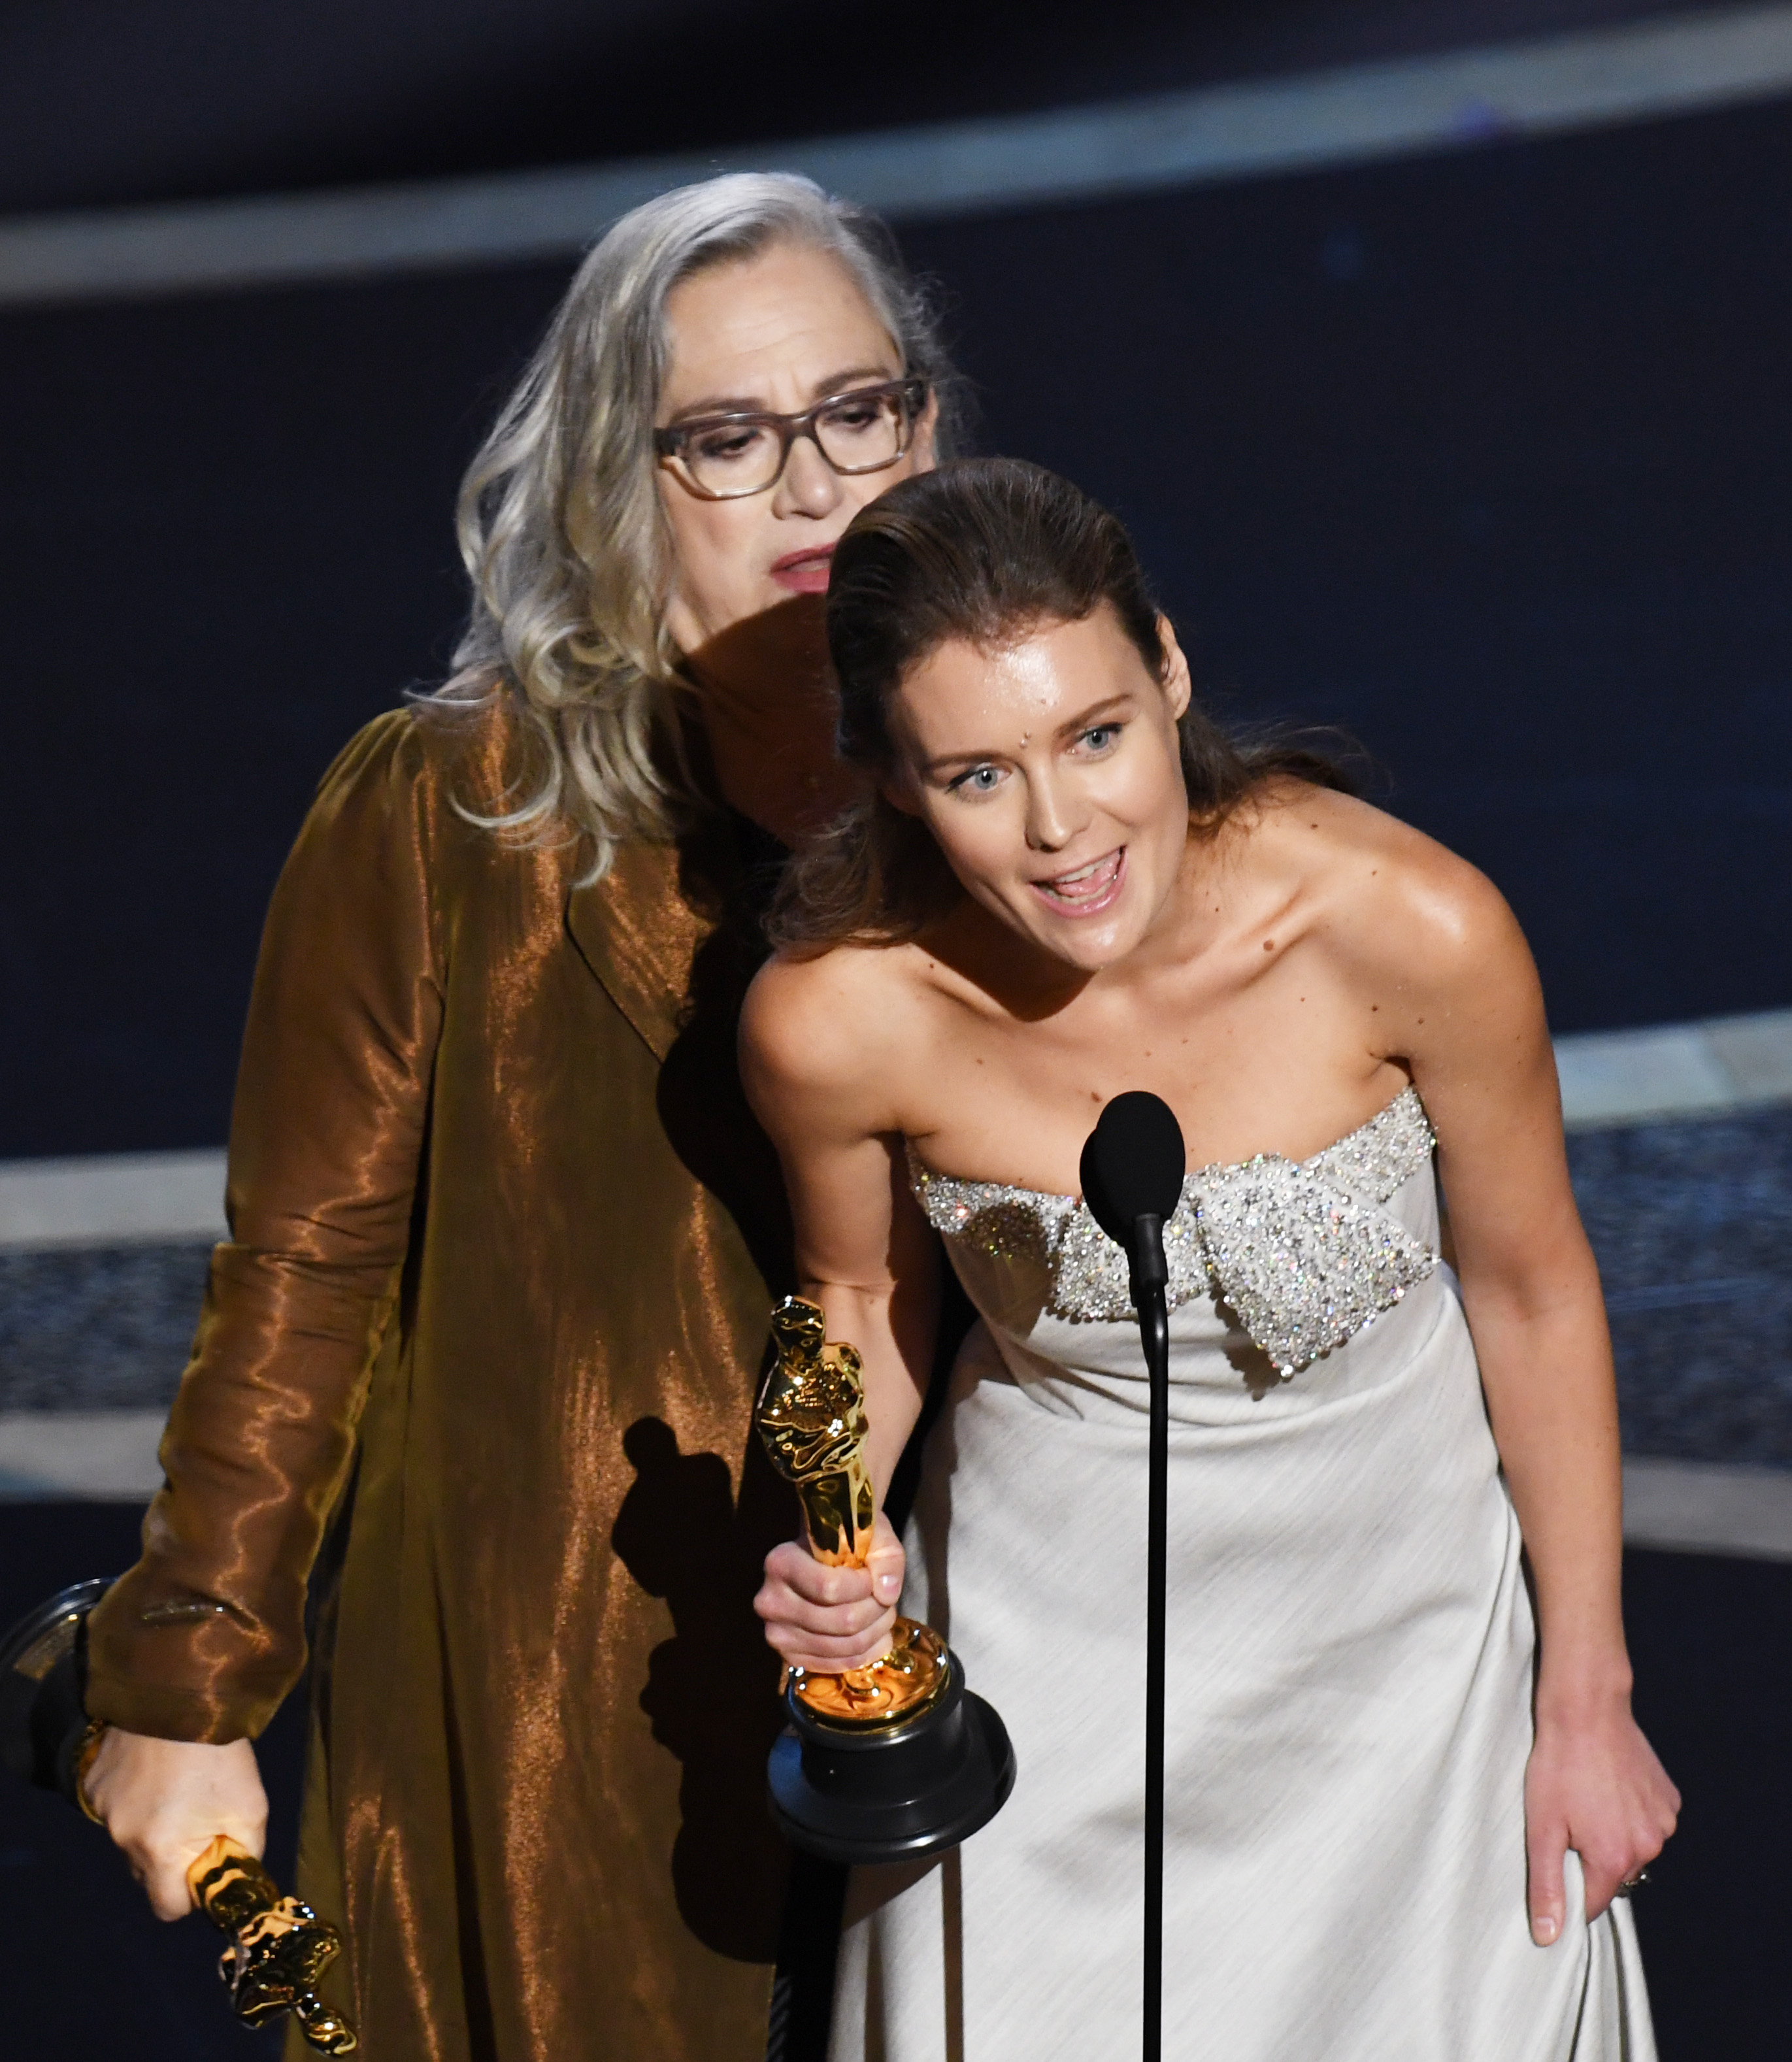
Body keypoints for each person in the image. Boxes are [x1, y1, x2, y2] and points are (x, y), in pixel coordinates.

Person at [76, 171, 957, 2061]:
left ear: (927, 431)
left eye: (853, 412)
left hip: (985, 1679)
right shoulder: (455, 809)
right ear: (611, 493)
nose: (810, 487)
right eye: (722, 438)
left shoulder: (1037, 804)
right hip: (573, 1694)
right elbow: (299, 1279)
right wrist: (188, 1676)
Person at [743, 459, 1679, 2059]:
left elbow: (1534, 1291)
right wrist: (832, 1550)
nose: (1061, 830)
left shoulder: (1410, 927)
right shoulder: (841, 1022)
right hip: (1054, 1685)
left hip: (1408, 1672)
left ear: (1167, 671)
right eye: (976, 774)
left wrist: (1587, 1696)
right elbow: (861, 1309)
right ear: (892, 779)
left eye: (1095, 736)